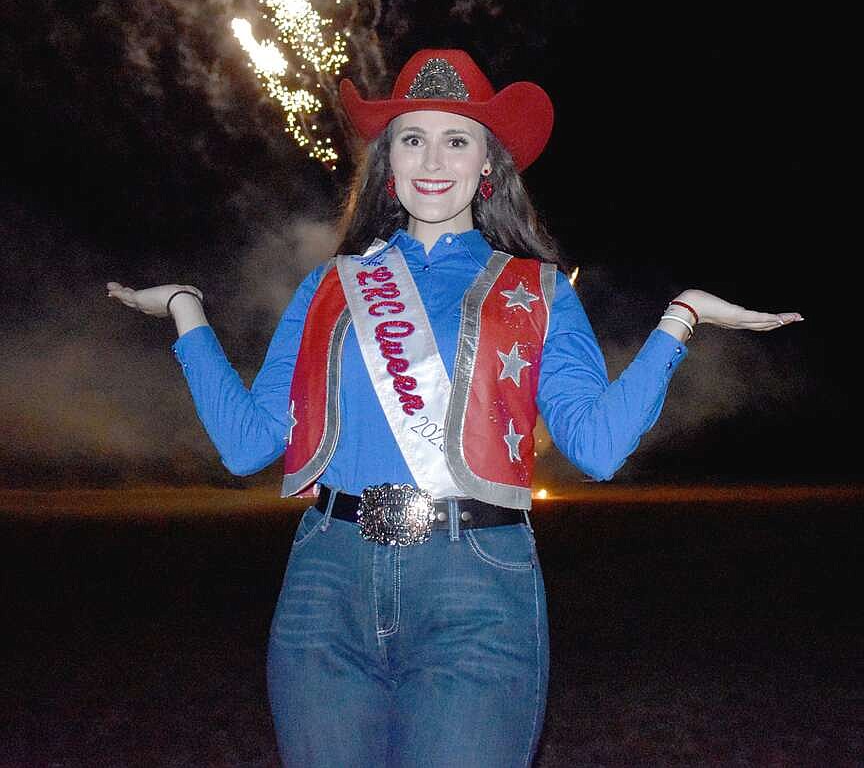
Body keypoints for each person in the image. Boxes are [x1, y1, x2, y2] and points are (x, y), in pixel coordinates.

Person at [107, 48, 803, 768]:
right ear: (388, 163)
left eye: (457, 139)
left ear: (486, 166)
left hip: (474, 584)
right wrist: (187, 313)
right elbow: (248, 444)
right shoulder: (331, 286)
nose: (432, 158)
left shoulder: (537, 289)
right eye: (412, 138)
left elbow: (597, 446)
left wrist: (679, 320)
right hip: (325, 582)